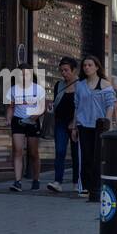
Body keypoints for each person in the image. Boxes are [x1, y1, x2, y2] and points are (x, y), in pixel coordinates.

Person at [71, 56, 116, 201]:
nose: (87, 68)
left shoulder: (105, 85)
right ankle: (84, 186)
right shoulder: (80, 85)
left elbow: (111, 105)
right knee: (85, 157)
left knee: (99, 158)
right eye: (84, 65)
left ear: (97, 67)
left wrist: (107, 122)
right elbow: (76, 107)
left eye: (90, 65)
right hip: (83, 125)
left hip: (100, 127)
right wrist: (74, 127)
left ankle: (98, 186)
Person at [6, 65, 45, 192]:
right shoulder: (13, 90)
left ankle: (36, 179)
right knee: (17, 151)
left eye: (26, 74)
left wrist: (35, 116)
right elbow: (11, 107)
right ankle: (17, 181)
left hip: (32, 121)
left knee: (33, 153)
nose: (23, 76)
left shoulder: (38, 89)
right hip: (18, 121)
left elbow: (42, 107)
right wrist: (8, 119)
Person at [47, 58, 79, 194]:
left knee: (76, 153)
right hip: (60, 122)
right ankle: (57, 182)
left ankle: (77, 182)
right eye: (61, 71)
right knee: (60, 151)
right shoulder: (59, 85)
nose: (63, 73)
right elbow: (57, 101)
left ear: (74, 70)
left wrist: (75, 122)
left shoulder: (81, 85)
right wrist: (52, 106)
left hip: (76, 123)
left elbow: (82, 106)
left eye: (66, 70)